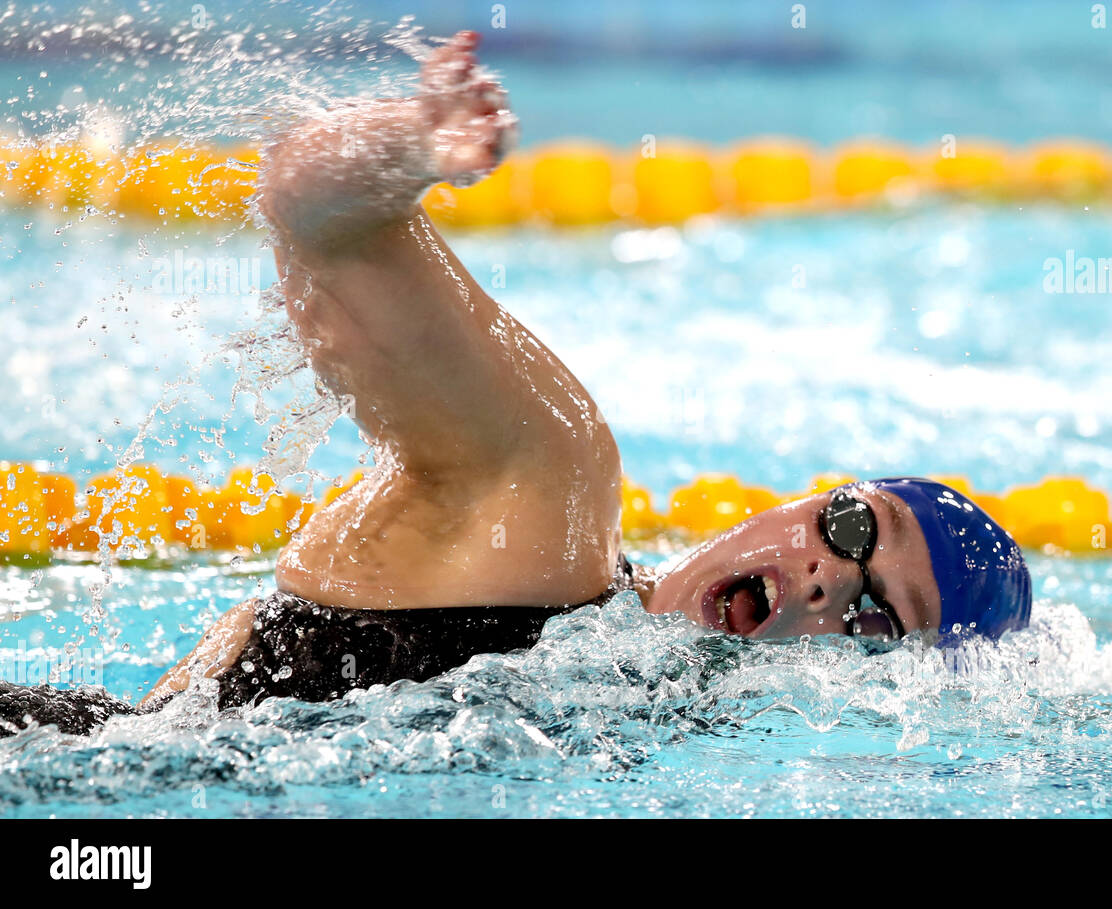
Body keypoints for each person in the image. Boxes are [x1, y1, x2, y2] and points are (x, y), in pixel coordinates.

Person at [0, 32, 1030, 737]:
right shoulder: (549, 490)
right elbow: (314, 209)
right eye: (852, 532)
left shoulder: (631, 685)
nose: (822, 580)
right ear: (808, 498)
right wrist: (413, 147)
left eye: (873, 619)